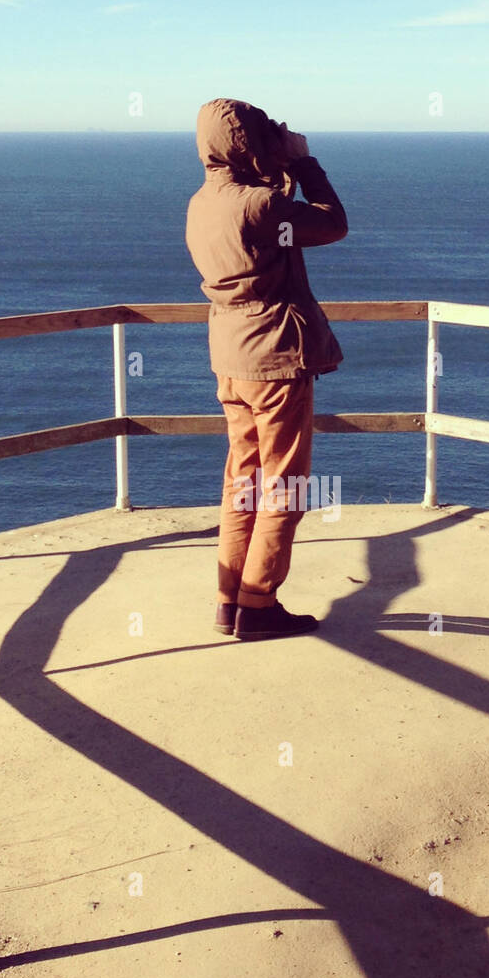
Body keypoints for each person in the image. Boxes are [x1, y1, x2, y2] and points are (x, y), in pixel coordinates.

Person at [184, 98, 349, 640]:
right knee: (283, 485)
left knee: (242, 481)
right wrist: (302, 162)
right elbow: (332, 224)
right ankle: (258, 604)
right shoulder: (258, 205)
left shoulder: (201, 202)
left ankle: (226, 599)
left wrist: (272, 162)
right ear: (248, 143)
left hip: (230, 358)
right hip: (275, 358)